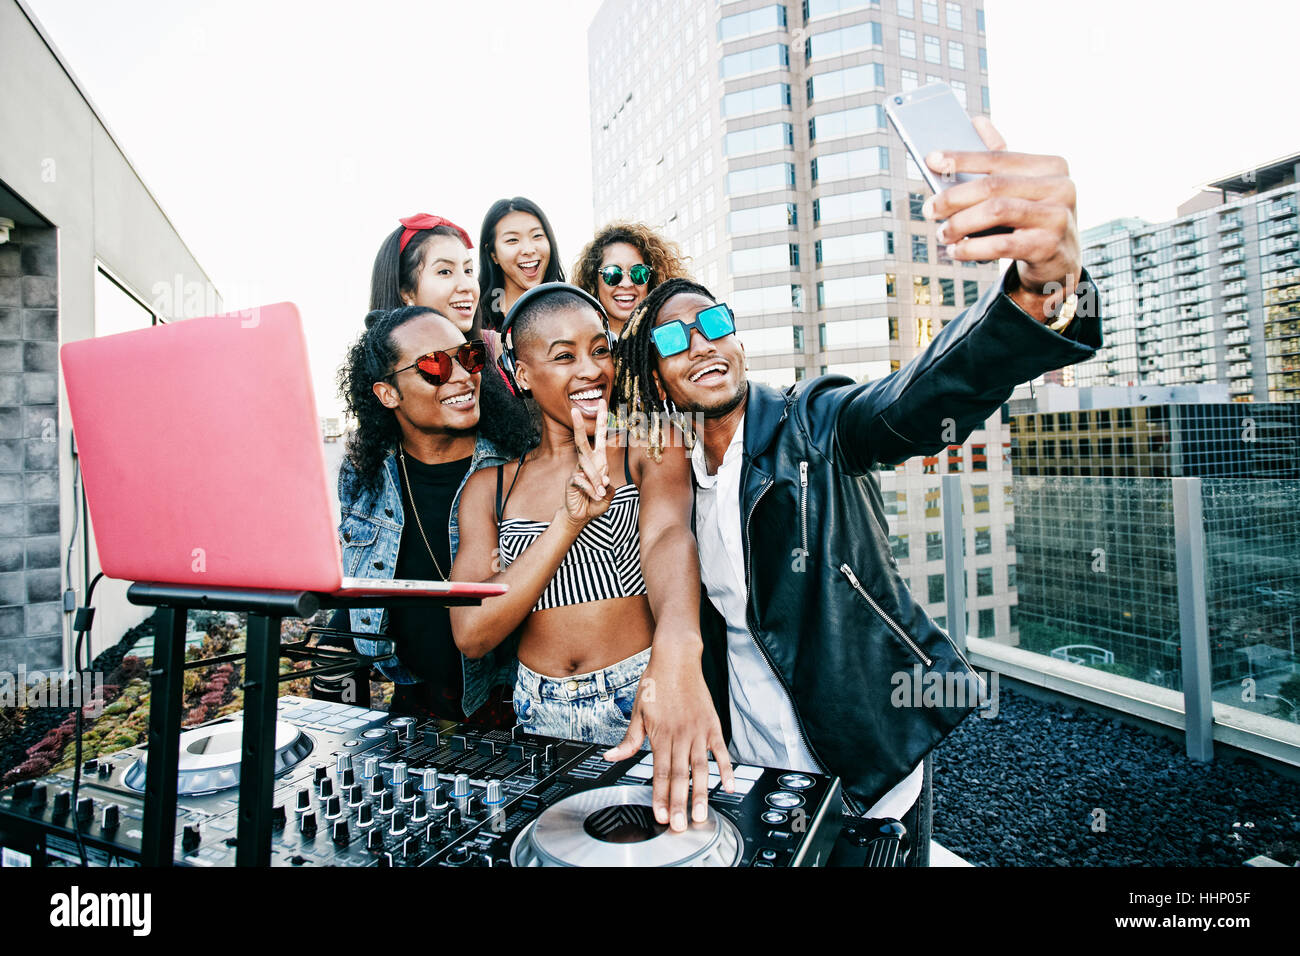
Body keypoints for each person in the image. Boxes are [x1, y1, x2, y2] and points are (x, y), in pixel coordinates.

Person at [604, 121, 1101, 856]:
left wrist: (1039, 293)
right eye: (673, 340)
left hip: (862, 762)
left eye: (713, 322)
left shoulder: (813, 424)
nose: (701, 342)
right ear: (654, 376)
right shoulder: (671, 476)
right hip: (754, 766)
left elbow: (916, 399)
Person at [449, 284, 731, 828]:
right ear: (522, 375)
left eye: (600, 349)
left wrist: (678, 653)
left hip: (641, 694)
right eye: (563, 356)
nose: (590, 369)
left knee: (665, 850)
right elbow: (472, 632)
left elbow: (669, 538)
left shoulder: (653, 444)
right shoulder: (490, 487)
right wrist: (570, 520)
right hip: (535, 709)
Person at [336, 305, 535, 721]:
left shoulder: (520, 466)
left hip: (512, 710)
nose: (462, 376)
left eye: (469, 356)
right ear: (388, 393)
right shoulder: (365, 476)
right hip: (413, 709)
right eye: (434, 365)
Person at [571, 222, 691, 337]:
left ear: (652, 280)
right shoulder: (580, 345)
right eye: (613, 274)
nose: (626, 283)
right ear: (593, 280)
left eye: (638, 272)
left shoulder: (671, 340)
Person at [369, 213, 480, 333]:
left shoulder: (497, 347)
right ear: (407, 292)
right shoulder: (379, 352)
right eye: (445, 272)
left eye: (468, 270)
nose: (467, 286)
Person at [474, 197, 565, 335]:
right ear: (493, 254)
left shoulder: (570, 308)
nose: (528, 250)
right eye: (512, 240)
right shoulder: (475, 317)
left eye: (537, 235)